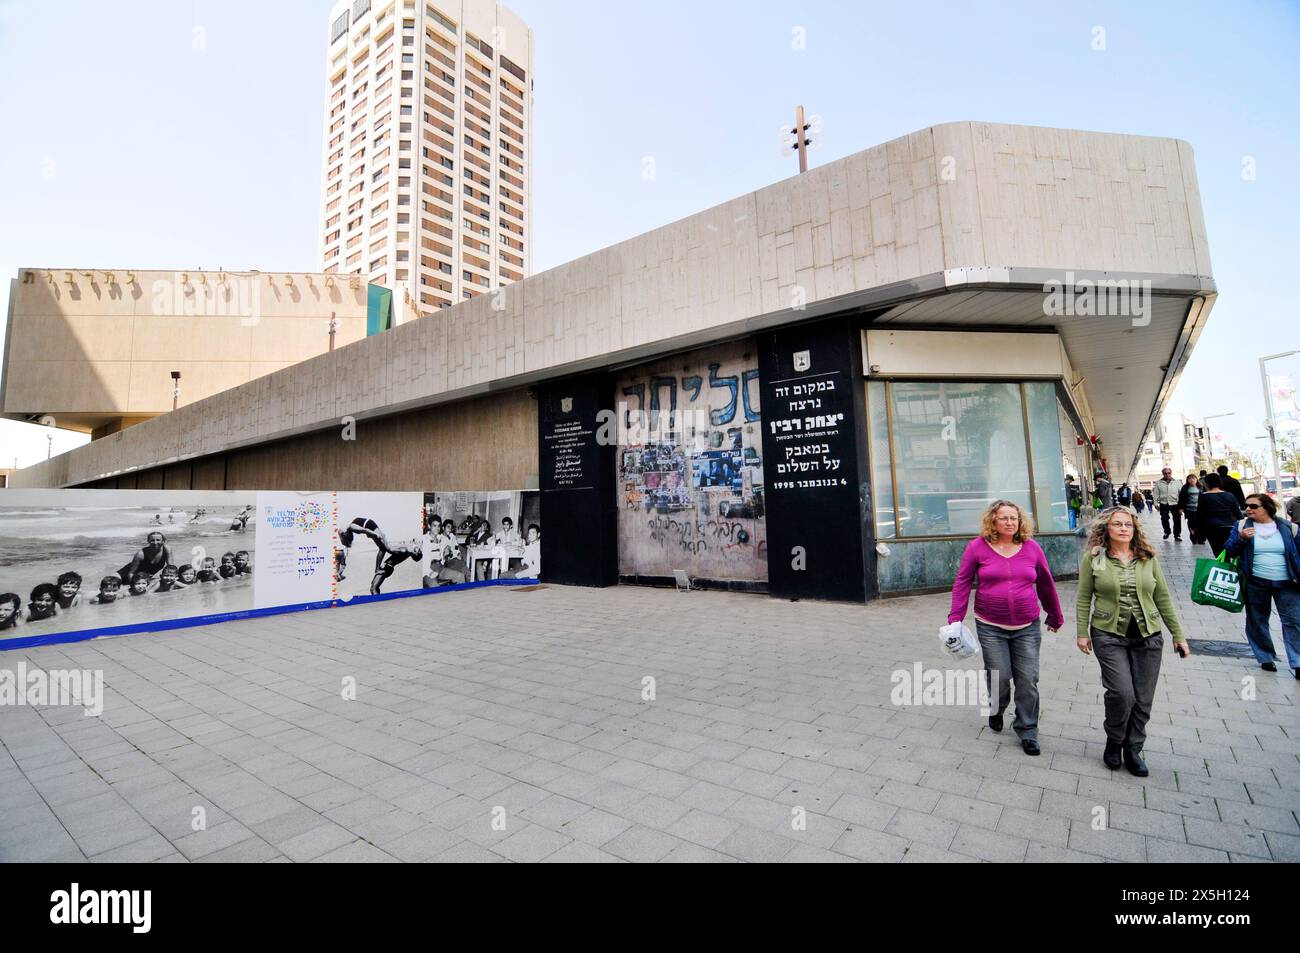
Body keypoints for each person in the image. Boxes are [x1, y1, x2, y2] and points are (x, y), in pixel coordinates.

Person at [1076, 507, 1189, 776]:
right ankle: (1114, 740)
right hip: (1107, 634)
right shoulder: (1095, 558)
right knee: (1121, 693)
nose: (1124, 528)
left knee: (1142, 698)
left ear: (1135, 529)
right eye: (1118, 524)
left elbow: (1162, 597)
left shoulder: (1148, 558)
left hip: (1148, 637)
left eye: (1128, 524)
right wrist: (1082, 632)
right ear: (1107, 529)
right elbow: (1083, 597)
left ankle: (1133, 748)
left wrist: (1178, 635)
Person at [948, 500, 1064, 757]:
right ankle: (997, 708)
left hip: (1027, 626)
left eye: (1014, 518)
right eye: (1004, 518)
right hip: (990, 625)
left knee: (1028, 678)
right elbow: (963, 582)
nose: (1010, 522)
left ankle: (1027, 729)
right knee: (999, 676)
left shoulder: (1032, 548)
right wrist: (955, 618)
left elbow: (1045, 583)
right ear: (993, 521)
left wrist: (1054, 614)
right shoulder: (977, 547)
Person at [1225, 494, 1300, 678]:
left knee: (1293, 622)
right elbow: (1228, 550)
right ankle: (1265, 656)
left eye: (1253, 506)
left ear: (1266, 508)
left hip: (1287, 582)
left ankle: (1297, 661)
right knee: (1257, 620)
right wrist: (1241, 538)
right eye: (1246, 506)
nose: (1248, 509)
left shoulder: (1288, 527)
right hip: (1256, 581)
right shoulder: (1242, 526)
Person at [1197, 473, 1244, 556]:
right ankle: (1229, 566)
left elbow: (1200, 515)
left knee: (1218, 553)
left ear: (1206, 483)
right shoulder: (1230, 495)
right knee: (1230, 551)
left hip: (1212, 529)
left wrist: (1198, 531)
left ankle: (1222, 567)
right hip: (1230, 526)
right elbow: (1238, 513)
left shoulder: (1204, 497)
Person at [1153, 467, 1182, 541]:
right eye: (1165, 473)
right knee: (1164, 518)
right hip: (1164, 503)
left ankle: (1177, 535)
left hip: (1175, 503)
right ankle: (1167, 532)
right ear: (1163, 474)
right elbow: (1156, 494)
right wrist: (1156, 504)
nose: (1167, 474)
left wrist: (1182, 506)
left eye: (1169, 473)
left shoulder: (1177, 482)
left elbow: (1181, 494)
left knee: (1177, 519)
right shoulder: (1158, 483)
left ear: (1171, 473)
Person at [1179, 473, 1202, 545]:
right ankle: (1193, 537)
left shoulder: (1201, 487)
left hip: (1199, 509)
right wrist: (1181, 508)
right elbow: (1181, 498)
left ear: (1196, 479)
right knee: (1191, 523)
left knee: (1200, 524)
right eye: (1190, 478)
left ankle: (1200, 538)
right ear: (1187, 480)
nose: (1192, 480)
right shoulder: (1185, 488)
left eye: (1193, 478)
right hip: (1189, 510)